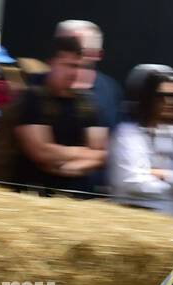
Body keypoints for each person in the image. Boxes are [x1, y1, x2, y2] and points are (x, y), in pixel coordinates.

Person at [13, 34, 107, 195]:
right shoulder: (34, 98)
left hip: (78, 197)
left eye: (77, 66)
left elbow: (101, 154)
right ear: (51, 63)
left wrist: (66, 166)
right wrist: (82, 154)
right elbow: (41, 152)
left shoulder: (87, 102)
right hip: (36, 194)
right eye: (67, 65)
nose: (73, 72)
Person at [109, 66, 173, 216]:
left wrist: (162, 175)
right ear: (146, 98)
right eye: (164, 95)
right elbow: (133, 182)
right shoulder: (127, 134)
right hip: (136, 220)